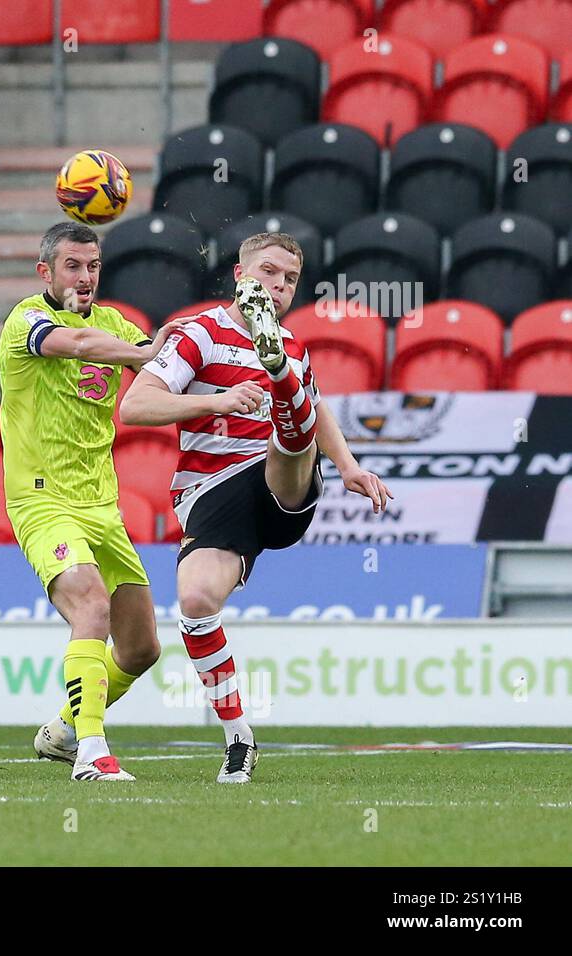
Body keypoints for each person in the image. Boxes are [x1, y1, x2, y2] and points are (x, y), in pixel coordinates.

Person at [122, 232, 392, 783]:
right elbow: (135, 404)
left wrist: (349, 467)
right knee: (195, 602)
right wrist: (214, 400)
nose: (280, 285)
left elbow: (319, 413)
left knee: (289, 435)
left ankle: (277, 385)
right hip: (210, 490)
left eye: (290, 279)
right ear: (242, 277)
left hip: (278, 479)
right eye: (269, 273)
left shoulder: (295, 344)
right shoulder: (200, 335)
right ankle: (239, 738)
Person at [1, 221, 189, 782]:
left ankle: (61, 730)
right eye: (73, 268)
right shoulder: (26, 321)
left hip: (102, 506)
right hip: (42, 499)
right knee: (91, 607)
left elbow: (165, 385)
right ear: (46, 273)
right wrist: (142, 349)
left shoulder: (116, 326)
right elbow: (77, 344)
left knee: (140, 648)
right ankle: (91, 752)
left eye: (93, 267)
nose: (85, 278)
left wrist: (227, 388)